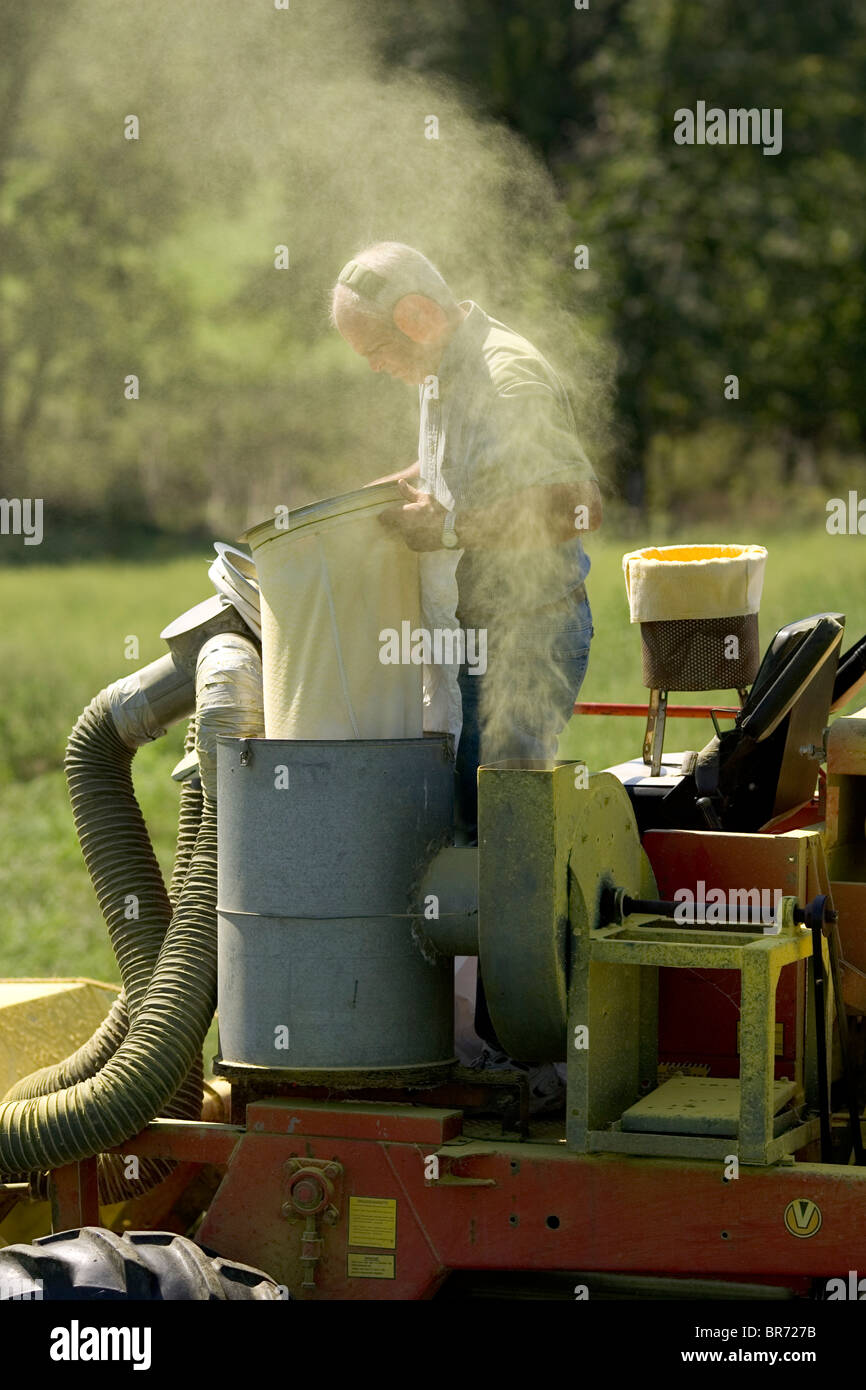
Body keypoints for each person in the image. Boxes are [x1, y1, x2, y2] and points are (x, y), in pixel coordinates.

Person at [331, 243, 601, 1108]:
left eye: (377, 349)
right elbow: (471, 476)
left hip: (528, 637)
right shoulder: (443, 372)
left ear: (416, 317)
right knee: (469, 832)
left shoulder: (507, 375)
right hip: (479, 637)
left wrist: (445, 531)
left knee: (508, 847)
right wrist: (407, 488)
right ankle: (481, 1049)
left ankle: (538, 1065)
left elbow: (573, 505)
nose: (377, 367)